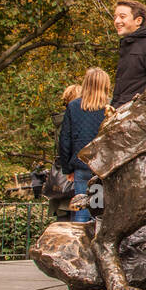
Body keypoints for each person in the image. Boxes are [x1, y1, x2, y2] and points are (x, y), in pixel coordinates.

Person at [58, 68, 111, 223]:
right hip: (102, 168)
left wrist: (67, 168)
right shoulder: (109, 107)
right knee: (98, 211)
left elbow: (65, 140)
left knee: (81, 210)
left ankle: (79, 246)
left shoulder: (74, 107)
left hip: (81, 165)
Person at [48, 84, 82, 219]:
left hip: (61, 177)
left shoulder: (60, 120)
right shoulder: (71, 120)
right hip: (71, 174)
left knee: (64, 215)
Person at [112, 0, 146, 107]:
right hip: (121, 110)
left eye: (122, 16)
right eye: (115, 17)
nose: (117, 21)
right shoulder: (127, 44)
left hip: (136, 113)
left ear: (138, 20)